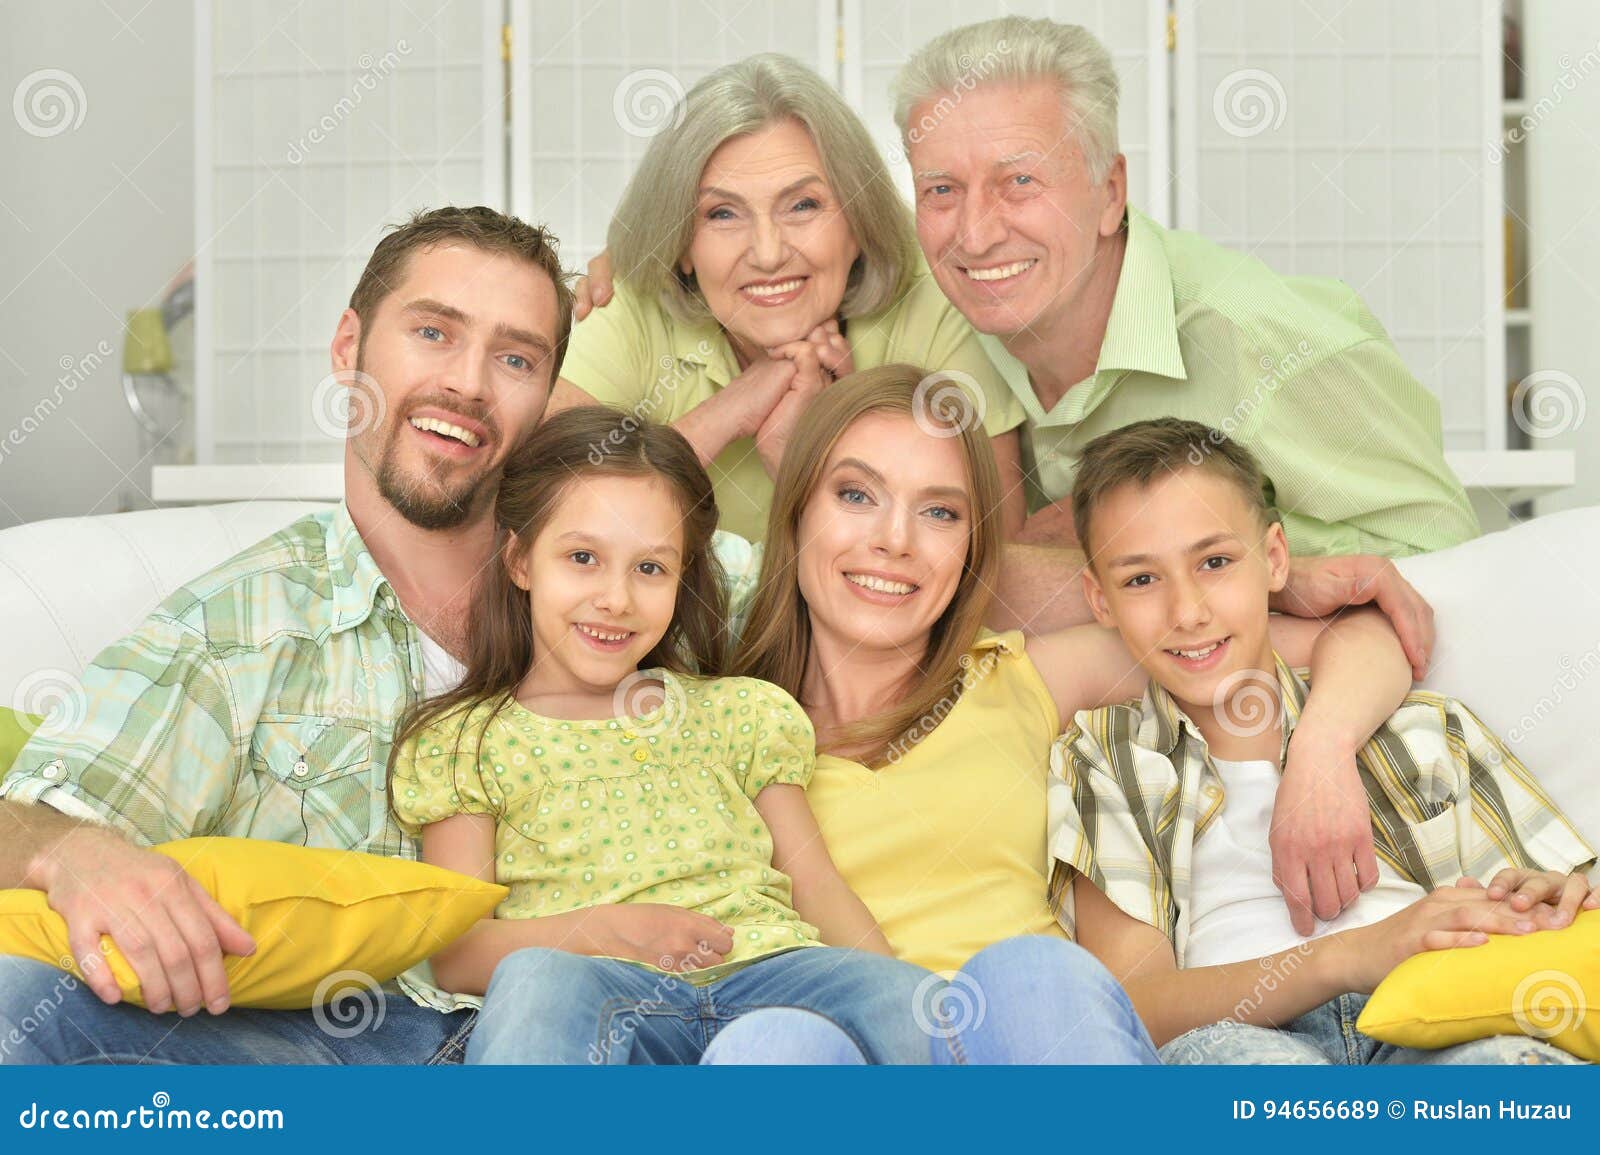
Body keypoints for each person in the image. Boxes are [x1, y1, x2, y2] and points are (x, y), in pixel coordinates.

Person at [0, 206, 596, 1064]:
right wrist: (76, 850)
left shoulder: (626, 587)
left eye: (514, 358)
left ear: (547, 397)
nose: (468, 383)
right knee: (20, 1001)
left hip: (577, 1038)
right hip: (319, 1059)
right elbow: (26, 813)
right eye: (433, 331)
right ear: (348, 347)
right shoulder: (235, 627)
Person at [691, 365, 1414, 1064]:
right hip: (856, 1060)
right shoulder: (712, 716)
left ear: (974, 547)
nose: (895, 541)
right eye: (856, 495)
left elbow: (1355, 636)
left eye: (939, 511)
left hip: (1036, 1043)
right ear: (794, 511)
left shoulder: (1024, 676)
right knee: (766, 1047)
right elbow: (600, 549)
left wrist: (1320, 753)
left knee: (1030, 973)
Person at [389, 406, 941, 1064]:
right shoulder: (466, 742)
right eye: (583, 557)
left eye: (649, 569)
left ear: (681, 582)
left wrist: (894, 991)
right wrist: (608, 932)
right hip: (605, 993)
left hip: (770, 976)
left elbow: (817, 885)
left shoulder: (738, 715)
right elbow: (458, 954)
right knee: (535, 981)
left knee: (908, 1000)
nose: (615, 598)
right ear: (520, 560)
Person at [1049, 417, 1596, 1064]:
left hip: (1432, 1009)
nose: (1187, 611)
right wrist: (1344, 957)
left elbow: (1559, 893)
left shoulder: (1415, 728)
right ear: (1099, 599)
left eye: (1216, 562)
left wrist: (1562, 894)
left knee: (1508, 1065)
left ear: (1275, 558)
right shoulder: (1106, 759)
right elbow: (1137, 1003)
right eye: (1141, 579)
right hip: (1243, 1033)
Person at [890, 16, 1479, 557]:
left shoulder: (1264, 340)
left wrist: (1185, 541)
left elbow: (1447, 553)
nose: (974, 234)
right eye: (941, 189)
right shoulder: (928, 315)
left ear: (1110, 191)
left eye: (1020, 181)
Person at [547, 53, 1029, 542]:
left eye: (803, 205)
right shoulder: (632, 302)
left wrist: (828, 450)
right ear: (684, 246)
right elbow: (548, 524)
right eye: (722, 214)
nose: (768, 253)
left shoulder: (938, 296)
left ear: (858, 225)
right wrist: (727, 413)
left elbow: (995, 556)